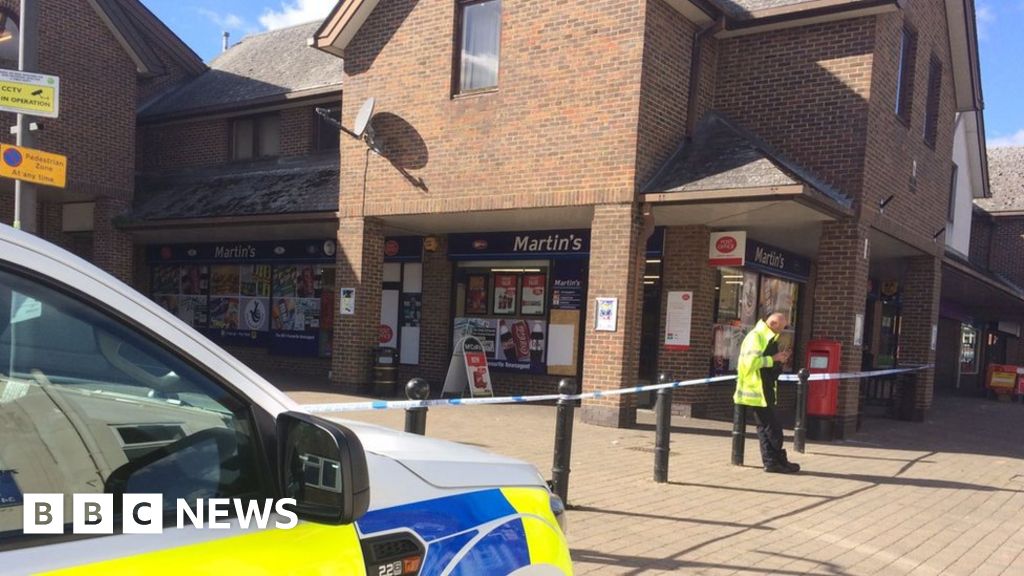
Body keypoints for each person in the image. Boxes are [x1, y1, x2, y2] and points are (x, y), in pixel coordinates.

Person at [734, 312, 800, 474]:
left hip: (764, 389)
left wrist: (779, 359)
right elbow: (750, 364)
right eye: (782, 327)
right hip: (757, 390)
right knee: (773, 428)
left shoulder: (768, 337)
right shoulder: (756, 337)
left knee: (765, 428)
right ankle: (777, 460)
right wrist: (774, 358)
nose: (783, 331)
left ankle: (772, 462)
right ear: (773, 323)